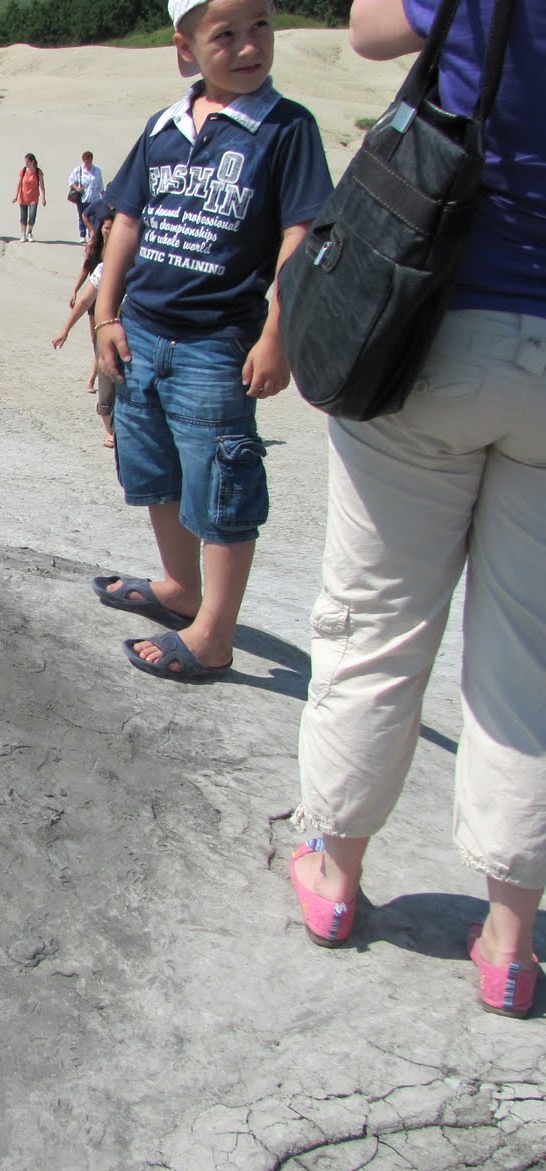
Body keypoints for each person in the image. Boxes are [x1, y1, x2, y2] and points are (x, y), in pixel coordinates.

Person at [291, 0, 544, 1020]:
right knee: (528, 659)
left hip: (435, 324)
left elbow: (368, 28)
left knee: (374, 618)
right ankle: (511, 939)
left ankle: (337, 874)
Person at [91, 0, 331, 683]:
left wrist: (278, 335)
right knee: (155, 470)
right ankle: (178, 587)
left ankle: (214, 634)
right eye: (226, 33)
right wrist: (107, 316)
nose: (250, 45)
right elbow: (127, 221)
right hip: (142, 330)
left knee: (221, 483)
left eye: (261, 26)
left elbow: (301, 235)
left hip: (216, 342)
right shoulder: (164, 128)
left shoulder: (286, 129)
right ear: (186, 49)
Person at [53, 206, 117, 447]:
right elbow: (83, 301)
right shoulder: (103, 267)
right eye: (107, 227)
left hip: (131, 338)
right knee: (106, 393)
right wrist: (65, 330)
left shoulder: (137, 268)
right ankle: (110, 429)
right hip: (106, 332)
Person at [66, 150, 104, 241]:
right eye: (85, 160)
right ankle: (82, 235)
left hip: (94, 198)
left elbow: (100, 184)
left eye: (89, 160)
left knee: (93, 218)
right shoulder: (79, 170)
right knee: (82, 216)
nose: (87, 162)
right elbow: (70, 181)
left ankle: (92, 235)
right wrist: (77, 188)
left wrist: (103, 195)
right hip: (83, 199)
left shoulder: (97, 171)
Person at [16, 153, 47, 242]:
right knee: (23, 216)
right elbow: (19, 183)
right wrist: (16, 196)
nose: (26, 163)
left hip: (34, 197)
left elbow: (42, 186)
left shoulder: (38, 172)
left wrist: (43, 198)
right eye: (25, 162)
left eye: (27, 162)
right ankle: (23, 234)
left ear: (32, 161)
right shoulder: (23, 171)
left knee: (32, 215)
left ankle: (29, 232)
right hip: (23, 196)